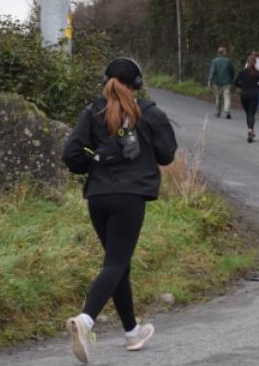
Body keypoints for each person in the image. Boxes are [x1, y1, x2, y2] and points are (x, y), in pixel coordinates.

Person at [61, 57, 178, 365]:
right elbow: (167, 155)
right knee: (115, 263)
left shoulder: (92, 112)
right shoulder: (149, 113)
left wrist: (96, 160)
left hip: (98, 197)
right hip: (130, 197)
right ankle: (85, 321)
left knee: (118, 263)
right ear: (138, 84)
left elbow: (71, 155)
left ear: (106, 81)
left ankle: (132, 332)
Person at [234, 54, 259, 143]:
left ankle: (250, 130)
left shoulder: (242, 72)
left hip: (244, 95)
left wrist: (242, 86)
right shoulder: (258, 73)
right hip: (254, 95)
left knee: (248, 113)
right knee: (251, 114)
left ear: (247, 62)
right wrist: (257, 86)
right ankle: (250, 129)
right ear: (255, 63)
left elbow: (235, 82)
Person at [208, 46, 235, 119]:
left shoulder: (214, 61)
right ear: (223, 53)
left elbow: (212, 71)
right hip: (227, 82)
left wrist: (210, 80)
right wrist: (232, 79)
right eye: (225, 51)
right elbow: (232, 71)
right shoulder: (228, 61)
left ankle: (217, 112)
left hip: (217, 82)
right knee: (227, 96)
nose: (226, 52)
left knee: (218, 97)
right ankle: (227, 111)